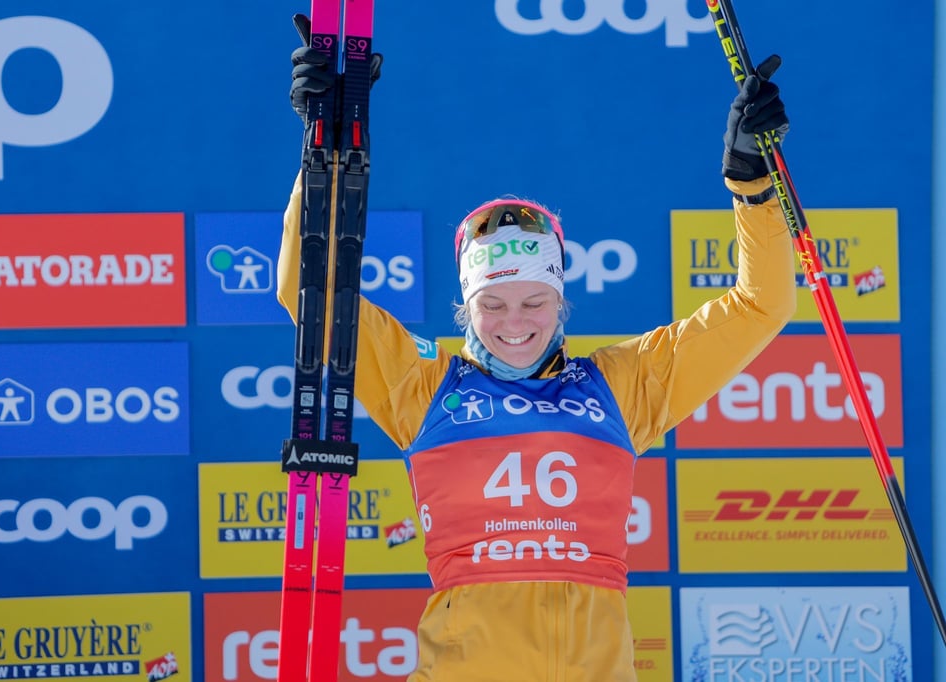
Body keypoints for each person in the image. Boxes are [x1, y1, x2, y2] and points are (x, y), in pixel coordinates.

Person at [279, 16, 796, 682]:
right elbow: (306, 290)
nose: (515, 323)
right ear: (466, 307)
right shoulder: (424, 387)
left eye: (534, 302)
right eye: (492, 304)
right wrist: (319, 150)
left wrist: (754, 187)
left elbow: (761, 306)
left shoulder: (621, 386)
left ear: (561, 301)